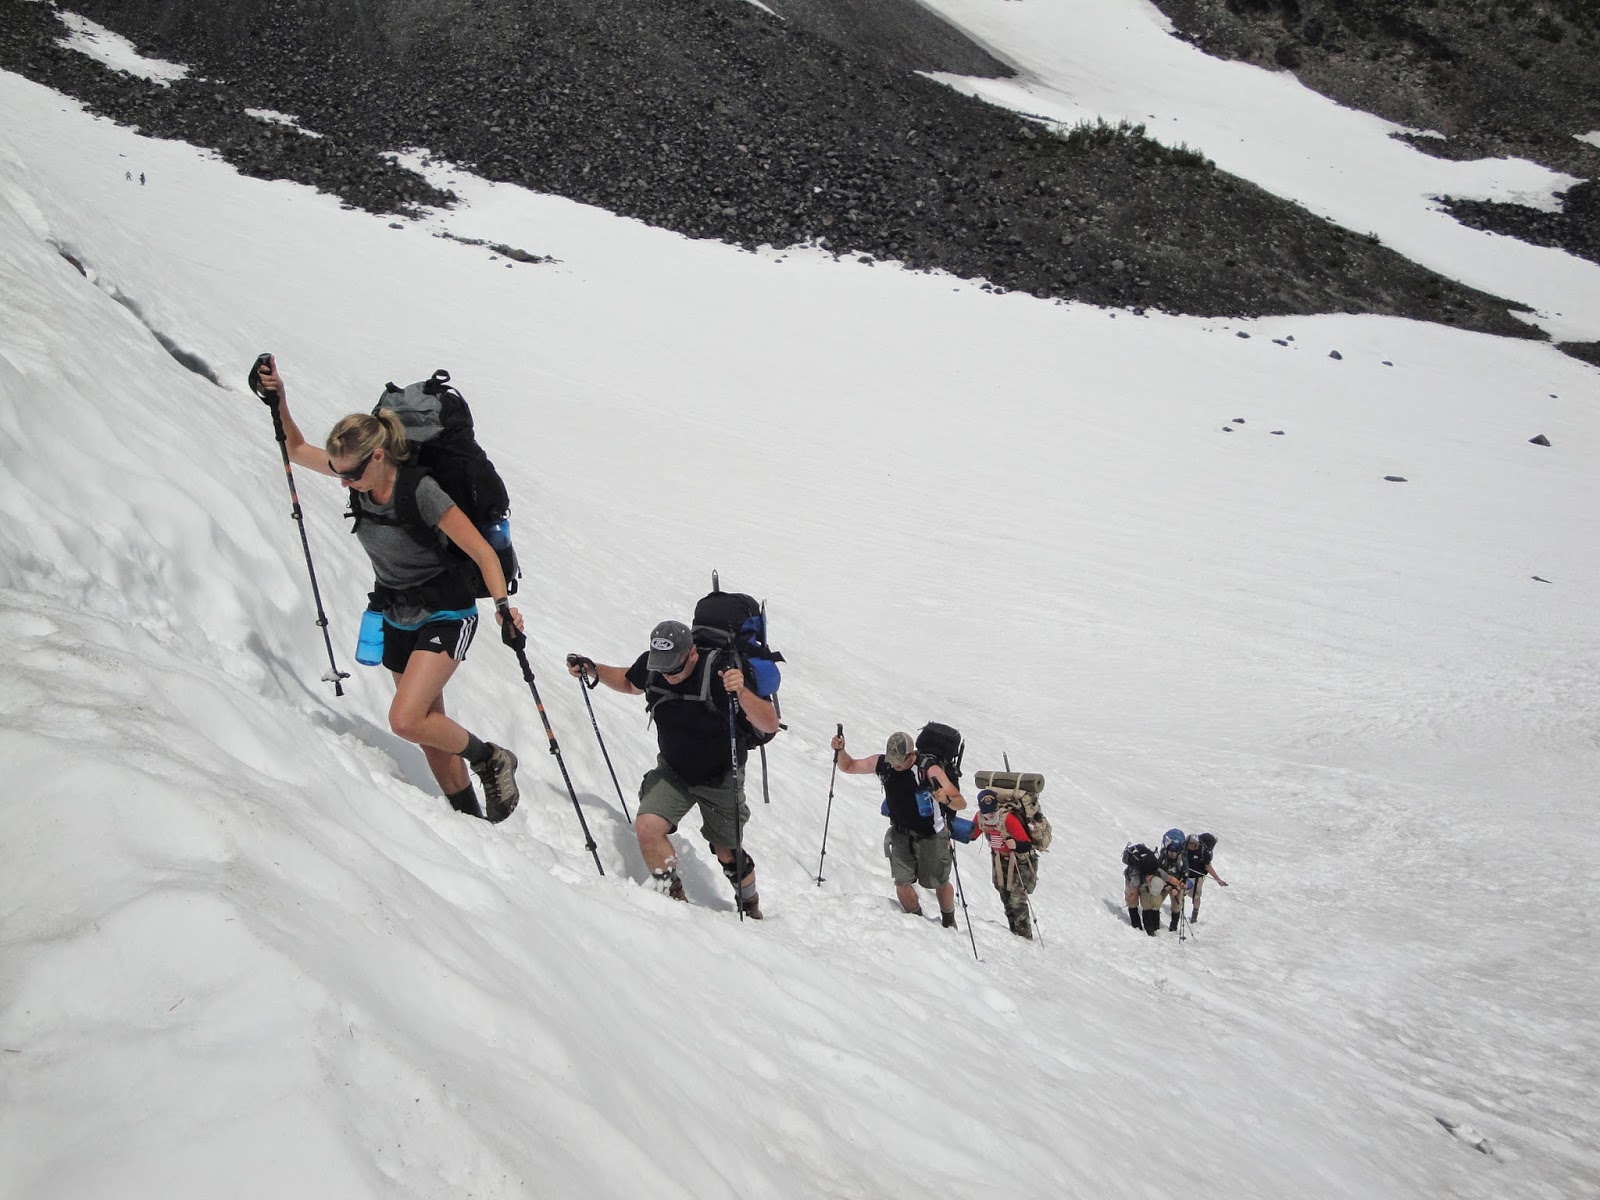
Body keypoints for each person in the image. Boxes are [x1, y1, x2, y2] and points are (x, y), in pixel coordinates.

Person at [254, 356, 524, 821]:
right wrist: (278, 398)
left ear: (377, 456)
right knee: (426, 728)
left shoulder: (422, 492)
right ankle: (471, 823)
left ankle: (490, 759)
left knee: (404, 719)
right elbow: (295, 449)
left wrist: (503, 609)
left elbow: (481, 552)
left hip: (446, 611)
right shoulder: (360, 479)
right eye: (340, 473)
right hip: (396, 611)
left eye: (351, 473)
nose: (344, 482)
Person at [567, 620, 779, 917]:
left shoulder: (719, 674)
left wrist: (742, 692)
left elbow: (769, 723)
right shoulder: (656, 666)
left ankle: (750, 905)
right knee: (646, 828)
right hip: (674, 770)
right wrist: (594, 670)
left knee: (727, 852)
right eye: (662, 668)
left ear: (692, 654)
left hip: (720, 776)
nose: (668, 675)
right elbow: (630, 682)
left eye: (674, 669)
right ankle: (674, 904)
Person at [830, 730, 967, 927]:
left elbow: (960, 802)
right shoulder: (883, 763)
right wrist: (840, 751)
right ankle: (919, 924)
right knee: (902, 883)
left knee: (939, 881)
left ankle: (948, 921)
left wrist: (945, 799)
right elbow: (849, 766)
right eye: (892, 761)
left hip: (931, 834)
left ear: (912, 755)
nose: (895, 766)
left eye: (899, 762)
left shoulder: (929, 769)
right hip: (900, 832)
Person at [973, 788, 1037, 939]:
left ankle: (1025, 936)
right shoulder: (980, 818)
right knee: (1004, 894)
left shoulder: (1008, 819)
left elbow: (1026, 844)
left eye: (992, 810)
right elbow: (972, 834)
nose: (990, 814)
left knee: (1017, 899)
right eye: (986, 811)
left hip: (1019, 860)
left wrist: (1016, 844)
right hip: (999, 859)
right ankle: (1014, 932)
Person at [1122, 837, 1185, 936]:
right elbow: (1133, 892)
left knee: (1147, 905)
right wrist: (1133, 897)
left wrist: (1180, 884)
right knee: (1132, 901)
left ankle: (1150, 929)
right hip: (1131, 881)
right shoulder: (1136, 874)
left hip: (1145, 882)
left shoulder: (1156, 869)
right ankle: (1136, 925)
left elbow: (1169, 878)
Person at [1183, 831, 1228, 922]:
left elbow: (1208, 866)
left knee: (1196, 895)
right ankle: (1178, 910)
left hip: (1197, 876)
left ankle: (1194, 916)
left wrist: (1218, 880)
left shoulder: (1204, 852)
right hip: (1184, 874)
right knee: (1181, 891)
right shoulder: (1183, 847)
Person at [1156, 828, 1189, 931]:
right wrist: (1166, 885)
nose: (1172, 853)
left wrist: (1178, 888)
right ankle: (1155, 925)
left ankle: (1173, 927)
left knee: (1176, 907)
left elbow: (1185, 876)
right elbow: (1157, 870)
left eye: (1174, 852)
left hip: (1177, 884)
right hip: (1164, 883)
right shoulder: (1163, 857)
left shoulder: (1183, 860)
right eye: (1170, 851)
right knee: (1156, 903)